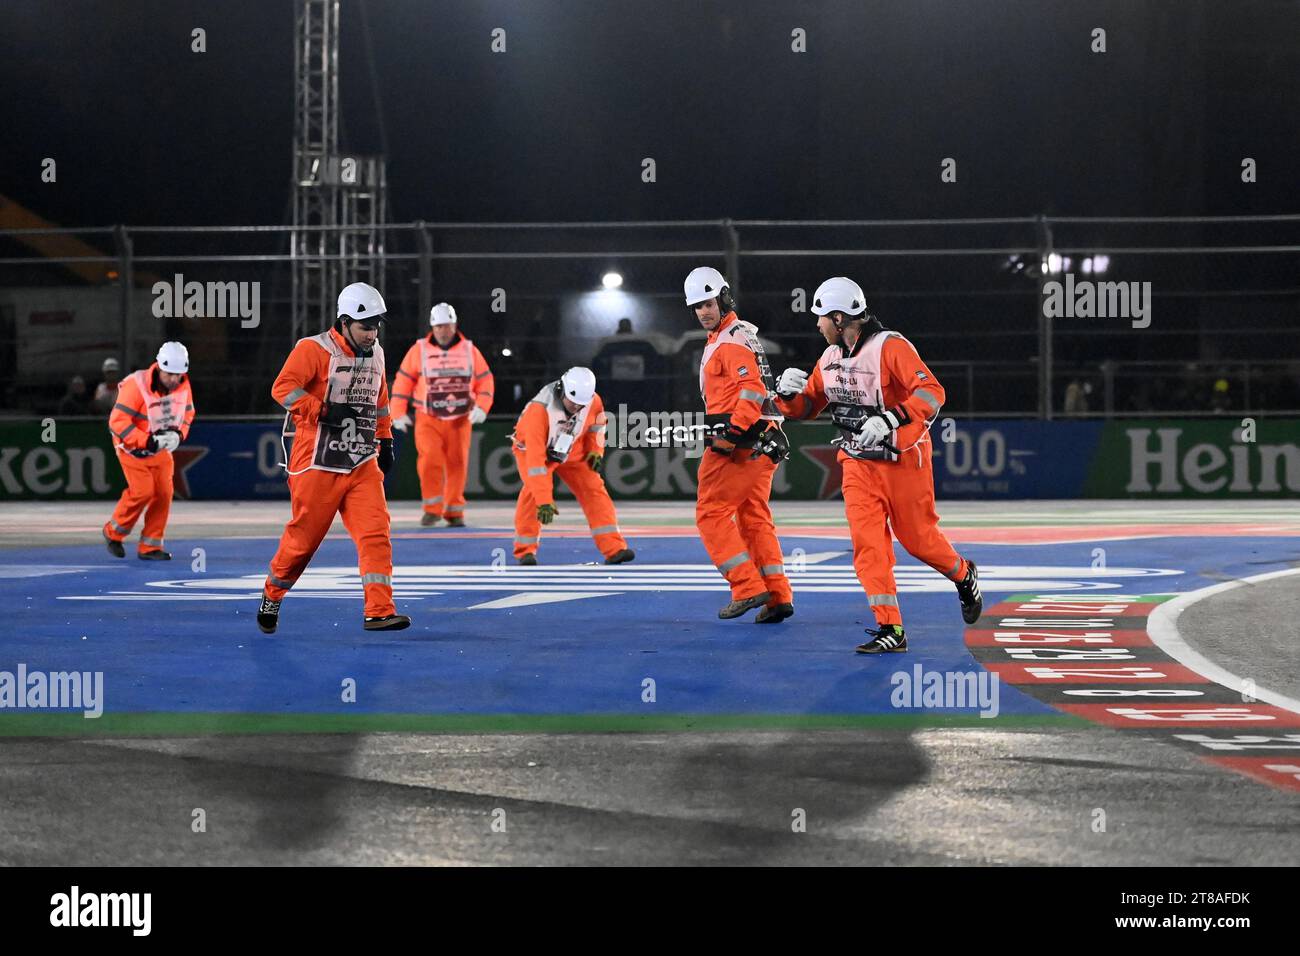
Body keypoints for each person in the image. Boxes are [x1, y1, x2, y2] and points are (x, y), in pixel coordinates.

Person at [774, 277, 981, 654]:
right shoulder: (829, 359)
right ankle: (891, 627)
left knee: (919, 540)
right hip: (857, 463)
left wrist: (889, 419)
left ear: (839, 318)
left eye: (821, 317)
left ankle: (963, 574)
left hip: (904, 462)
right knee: (868, 546)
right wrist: (785, 394)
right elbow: (806, 407)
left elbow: (933, 393)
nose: (817, 325)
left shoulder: (891, 347)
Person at [258, 282, 409, 634]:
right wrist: (323, 410)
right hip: (317, 461)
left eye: (376, 326)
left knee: (376, 533)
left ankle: (379, 611)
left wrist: (385, 440)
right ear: (343, 322)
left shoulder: (378, 354)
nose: (372, 333)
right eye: (365, 326)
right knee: (302, 543)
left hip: (360, 460)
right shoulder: (312, 349)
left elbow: (380, 401)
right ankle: (273, 594)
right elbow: (282, 388)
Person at [685, 266, 794, 623]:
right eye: (697, 306)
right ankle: (777, 595)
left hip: (739, 442)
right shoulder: (739, 334)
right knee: (754, 518)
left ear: (724, 298)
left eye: (708, 302)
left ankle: (746, 587)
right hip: (765, 440)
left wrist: (730, 434)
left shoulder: (729, 341)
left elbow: (752, 391)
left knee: (710, 513)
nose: (703, 311)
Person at [509, 366, 634, 567]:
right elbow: (535, 463)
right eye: (573, 403)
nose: (577, 408)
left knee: (594, 489)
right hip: (532, 451)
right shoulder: (539, 412)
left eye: (581, 406)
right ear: (562, 390)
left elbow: (598, 426)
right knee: (533, 494)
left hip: (571, 447)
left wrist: (595, 450)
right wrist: (544, 500)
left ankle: (614, 549)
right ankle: (525, 552)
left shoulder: (592, 400)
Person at [389, 302, 494, 527]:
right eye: (438, 327)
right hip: (428, 417)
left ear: (454, 326)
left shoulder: (469, 350)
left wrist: (482, 406)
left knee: (458, 464)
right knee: (429, 461)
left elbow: (485, 379)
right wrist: (397, 412)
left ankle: (454, 511)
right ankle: (432, 509)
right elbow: (403, 381)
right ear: (432, 328)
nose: (442, 331)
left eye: (446, 326)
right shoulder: (419, 350)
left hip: (460, 418)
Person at [102, 342, 195, 560]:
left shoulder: (183, 385)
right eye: (170, 374)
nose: (174, 380)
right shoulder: (136, 385)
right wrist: (145, 441)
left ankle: (150, 546)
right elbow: (117, 422)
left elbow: (188, 413)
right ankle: (112, 532)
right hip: (131, 448)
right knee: (143, 491)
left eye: (178, 375)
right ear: (159, 367)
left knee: (163, 493)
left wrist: (179, 434)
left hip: (160, 447)